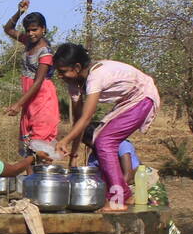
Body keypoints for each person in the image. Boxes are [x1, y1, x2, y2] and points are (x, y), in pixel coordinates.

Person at [53, 44, 161, 213]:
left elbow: (87, 117)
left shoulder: (96, 76)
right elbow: (79, 123)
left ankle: (118, 200)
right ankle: (125, 195)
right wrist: (73, 155)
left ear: (77, 67)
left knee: (105, 142)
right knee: (102, 139)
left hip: (142, 97)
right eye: (58, 71)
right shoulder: (74, 83)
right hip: (128, 102)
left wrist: (64, 140)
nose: (59, 76)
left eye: (63, 71)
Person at [85, 123, 180, 234]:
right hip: (118, 193)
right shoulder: (94, 154)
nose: (89, 146)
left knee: (159, 232)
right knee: (124, 233)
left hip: (144, 188)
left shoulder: (121, 144)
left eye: (89, 141)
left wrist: (112, 199)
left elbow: (127, 175)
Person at [2, 0, 60, 169]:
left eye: (35, 29)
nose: (31, 33)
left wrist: (18, 104)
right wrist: (19, 12)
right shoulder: (28, 42)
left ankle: (42, 184)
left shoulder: (45, 51)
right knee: (28, 144)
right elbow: (8, 29)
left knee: (40, 143)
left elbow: (38, 82)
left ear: (43, 29)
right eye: (28, 30)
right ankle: (30, 186)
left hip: (42, 99)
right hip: (29, 100)